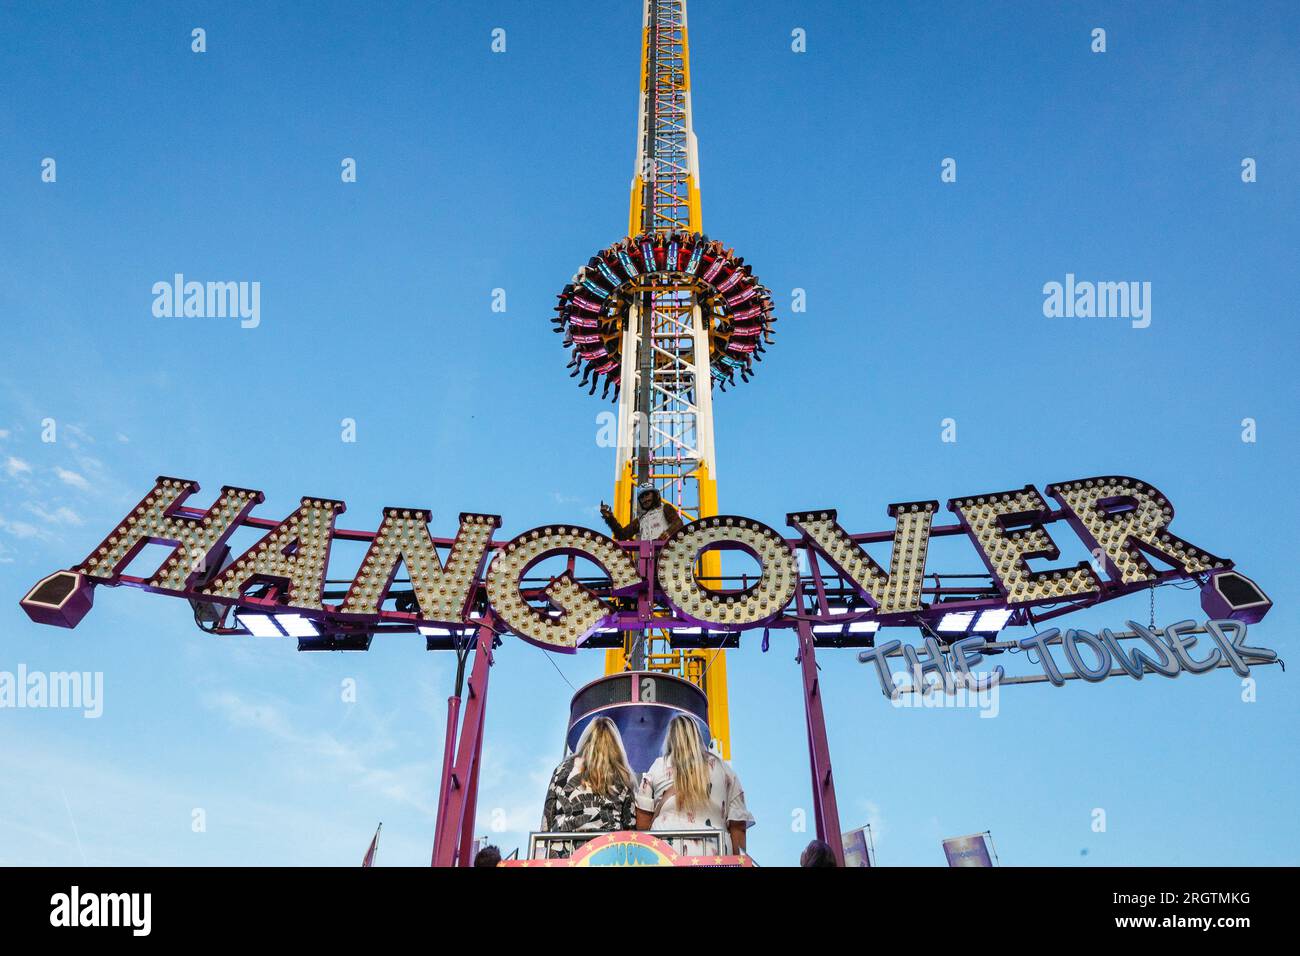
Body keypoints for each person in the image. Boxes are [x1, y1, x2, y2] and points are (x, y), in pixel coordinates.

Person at [635, 715, 755, 855]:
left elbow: (642, 824)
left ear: (669, 739)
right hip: (715, 854)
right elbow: (738, 826)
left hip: (666, 854)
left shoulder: (658, 766)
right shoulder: (725, 771)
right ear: (698, 736)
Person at [540, 716, 636, 856]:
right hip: (607, 854)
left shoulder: (563, 769)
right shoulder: (621, 775)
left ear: (586, 740)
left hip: (563, 854)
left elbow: (547, 818)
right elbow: (630, 827)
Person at [600, 483, 684, 542]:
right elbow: (622, 535)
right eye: (642, 497)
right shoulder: (641, 520)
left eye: (647, 494)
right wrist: (610, 518)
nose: (645, 499)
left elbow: (678, 523)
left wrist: (667, 533)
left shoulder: (665, 508)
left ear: (655, 495)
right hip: (646, 559)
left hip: (665, 553)